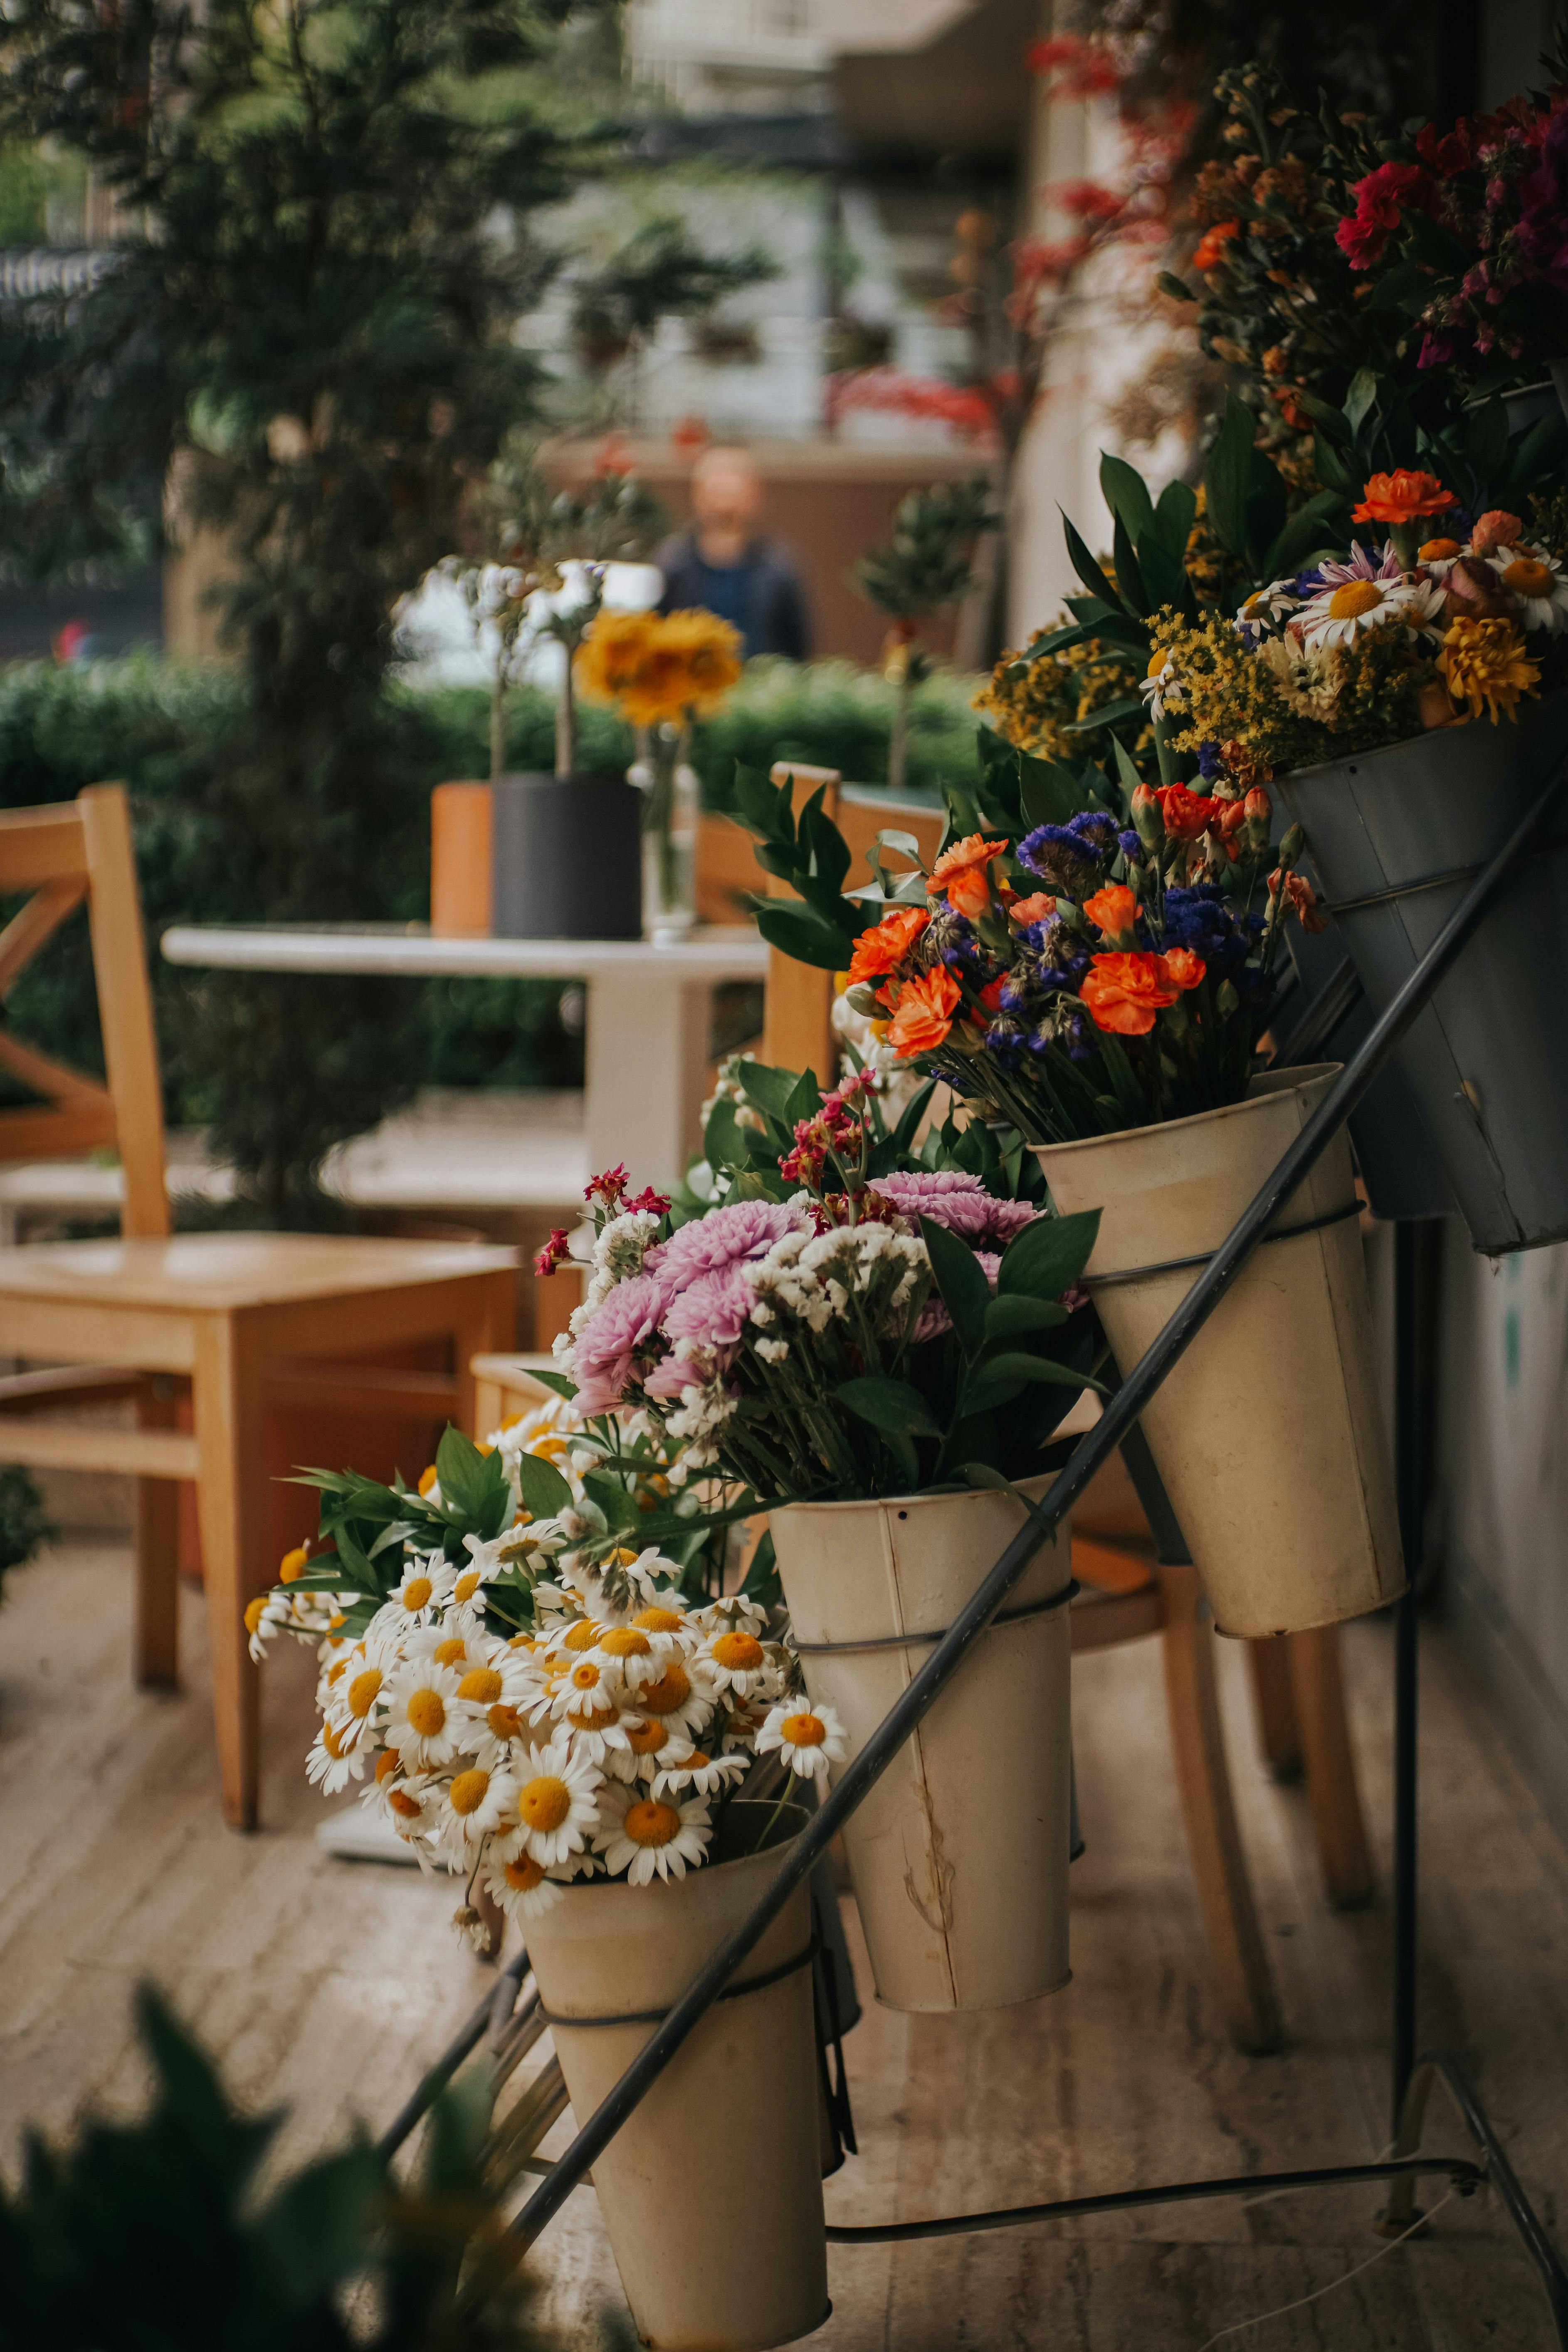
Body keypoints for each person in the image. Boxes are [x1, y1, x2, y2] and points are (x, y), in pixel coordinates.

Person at [656, 445, 810, 660]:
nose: (724, 490)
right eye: (716, 484)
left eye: (734, 482)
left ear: (755, 496)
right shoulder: (672, 564)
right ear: (696, 494)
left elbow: (798, 647)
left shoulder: (778, 568)